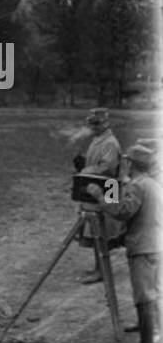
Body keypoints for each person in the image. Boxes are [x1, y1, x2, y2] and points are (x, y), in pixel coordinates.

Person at [91, 143, 162, 343]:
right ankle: (151, 334)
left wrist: (99, 196)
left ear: (132, 163)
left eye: (127, 161)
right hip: (155, 244)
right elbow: (141, 216)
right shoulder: (152, 184)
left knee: (144, 296)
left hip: (143, 248)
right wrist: (114, 183)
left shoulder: (138, 185)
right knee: (155, 293)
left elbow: (121, 211)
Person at [76, 108, 124, 284]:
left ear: (106, 123)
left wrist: (86, 169)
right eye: (92, 124)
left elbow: (107, 168)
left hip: (109, 188)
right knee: (95, 230)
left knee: (101, 231)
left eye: (97, 124)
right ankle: (99, 267)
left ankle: (101, 271)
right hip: (99, 187)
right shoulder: (98, 140)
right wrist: (83, 161)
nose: (93, 127)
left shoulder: (110, 142)